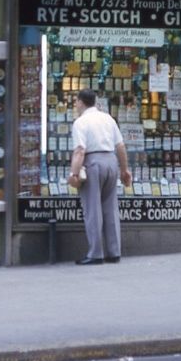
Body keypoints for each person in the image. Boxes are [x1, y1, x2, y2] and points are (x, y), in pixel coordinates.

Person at [67, 89, 132, 265]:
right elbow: (120, 146)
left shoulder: (80, 122)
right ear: (95, 101)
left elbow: (80, 151)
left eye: (76, 101)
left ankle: (96, 253)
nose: (76, 104)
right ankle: (114, 251)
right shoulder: (108, 118)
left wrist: (74, 174)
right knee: (110, 208)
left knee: (93, 209)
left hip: (93, 163)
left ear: (80, 102)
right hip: (111, 161)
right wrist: (124, 170)